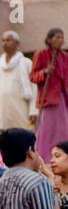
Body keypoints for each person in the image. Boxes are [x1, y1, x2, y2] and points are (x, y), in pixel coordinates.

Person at [0, 30, 37, 131]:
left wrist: (33, 111)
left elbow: (34, 88)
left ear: (17, 43)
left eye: (8, 40)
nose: (5, 43)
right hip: (0, 108)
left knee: (20, 135)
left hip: (20, 108)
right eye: (3, 41)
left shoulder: (27, 63)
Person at [32, 27, 68, 160]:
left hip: (63, 98)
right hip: (48, 98)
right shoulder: (41, 54)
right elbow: (33, 76)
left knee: (63, 129)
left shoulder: (65, 57)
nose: (60, 40)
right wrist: (45, 72)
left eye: (62, 37)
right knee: (47, 130)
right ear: (49, 39)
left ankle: (63, 156)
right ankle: (44, 158)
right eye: (57, 37)